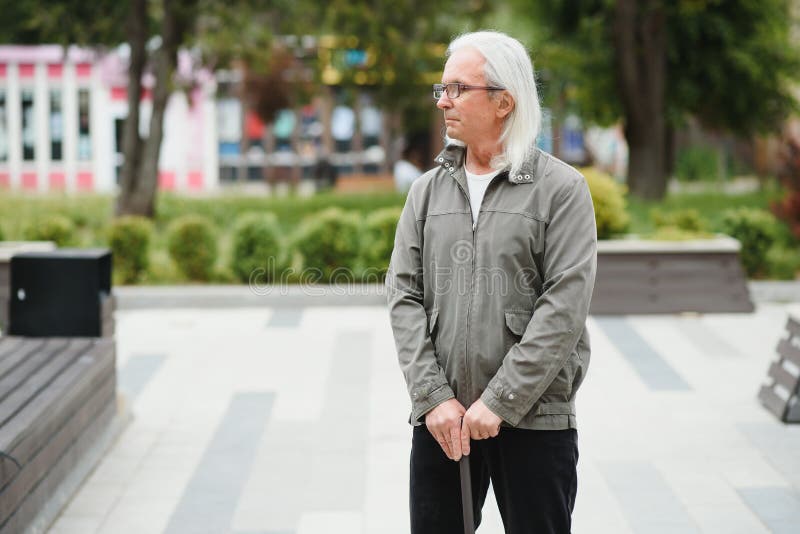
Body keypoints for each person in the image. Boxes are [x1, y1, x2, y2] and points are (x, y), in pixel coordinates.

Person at [386, 31, 597, 534]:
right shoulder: (425, 191)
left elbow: (562, 309)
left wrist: (499, 402)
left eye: (458, 88)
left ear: (504, 101)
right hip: (442, 420)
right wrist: (433, 397)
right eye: (441, 88)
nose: (442, 101)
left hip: (535, 418)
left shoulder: (562, 191)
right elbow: (403, 295)